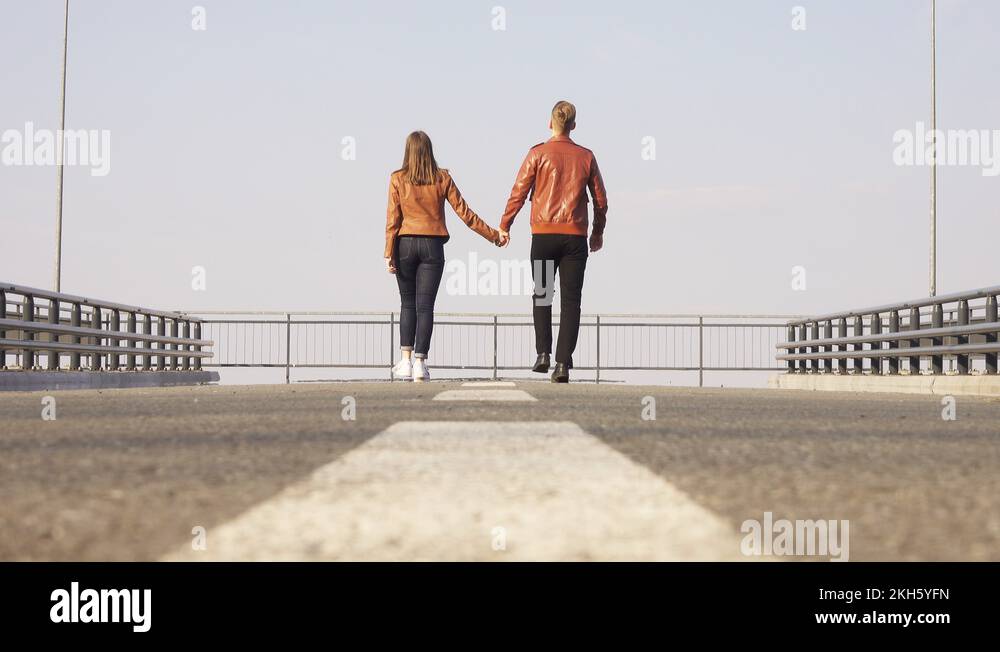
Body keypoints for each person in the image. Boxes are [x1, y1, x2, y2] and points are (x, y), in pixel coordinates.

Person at [498, 100, 608, 383]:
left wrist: (505, 224)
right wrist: (597, 233)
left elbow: (518, 192)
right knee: (572, 302)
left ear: (550, 123)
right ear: (573, 125)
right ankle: (562, 364)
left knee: (543, 294)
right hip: (574, 238)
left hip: (543, 236)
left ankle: (543, 353)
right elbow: (600, 201)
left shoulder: (537, 153)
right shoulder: (586, 157)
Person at [385, 131, 503, 382]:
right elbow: (466, 214)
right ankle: (420, 363)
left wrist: (388, 253)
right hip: (432, 245)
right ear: (429, 151)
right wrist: (493, 235)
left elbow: (393, 220)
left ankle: (404, 362)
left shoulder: (397, 179)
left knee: (407, 304)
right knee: (425, 306)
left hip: (404, 244)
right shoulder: (442, 178)